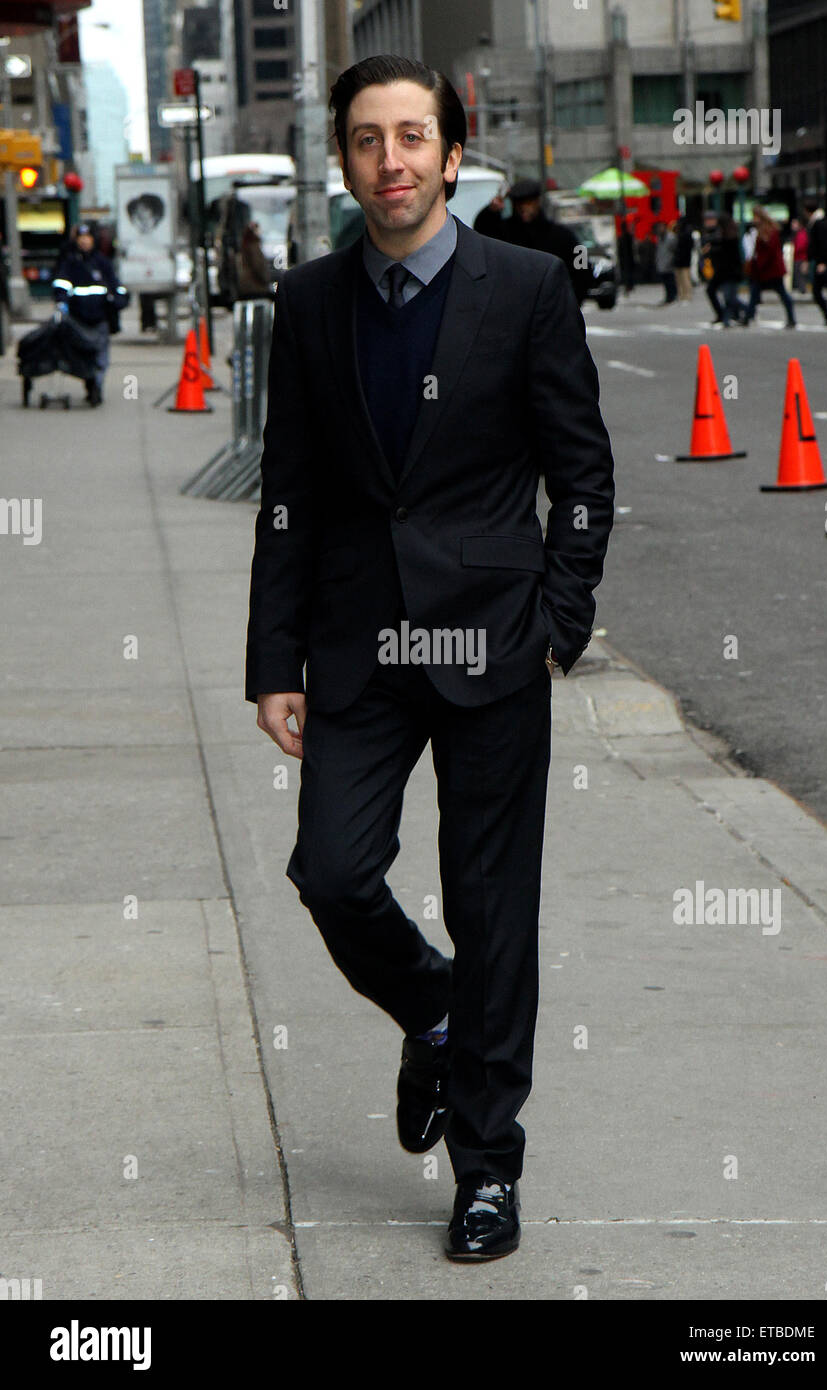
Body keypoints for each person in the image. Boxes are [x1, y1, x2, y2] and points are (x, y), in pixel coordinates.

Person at [246, 54, 615, 1263]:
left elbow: (581, 472)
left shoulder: (527, 288)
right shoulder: (307, 305)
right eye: (367, 139)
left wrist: (559, 618)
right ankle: (433, 1006)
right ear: (344, 160)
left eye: (413, 137)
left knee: (495, 907)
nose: (391, 159)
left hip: (495, 644)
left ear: (451, 156)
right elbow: (289, 493)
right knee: (332, 869)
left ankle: (487, 1170)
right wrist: (274, 658)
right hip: (360, 645)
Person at [473, 176, 590, 303]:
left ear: (537, 202)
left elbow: (582, 261)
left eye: (528, 202)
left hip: (551, 306)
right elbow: (481, 232)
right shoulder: (504, 233)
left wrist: (572, 300)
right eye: (518, 203)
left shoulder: (561, 235)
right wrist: (491, 211)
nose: (523, 208)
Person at [52, 222, 128, 404]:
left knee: (101, 353)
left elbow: (117, 287)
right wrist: (62, 303)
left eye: (88, 238)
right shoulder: (70, 263)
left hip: (100, 317)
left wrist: (118, 301)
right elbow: (61, 285)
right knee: (83, 352)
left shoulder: (102, 262)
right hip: (78, 317)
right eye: (81, 238)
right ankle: (90, 381)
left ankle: (96, 385)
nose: (85, 242)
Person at [742, 206, 796, 328]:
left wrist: (759, 264)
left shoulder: (769, 231)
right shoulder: (764, 230)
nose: (753, 219)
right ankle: (748, 317)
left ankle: (791, 318)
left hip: (770, 270)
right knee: (755, 293)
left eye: (755, 217)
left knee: (781, 294)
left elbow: (769, 252)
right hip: (766, 270)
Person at [701, 211, 745, 327]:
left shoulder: (728, 238)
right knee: (726, 296)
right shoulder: (722, 236)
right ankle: (728, 316)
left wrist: (711, 250)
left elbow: (726, 254)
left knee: (729, 297)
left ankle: (731, 316)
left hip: (728, 272)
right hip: (722, 271)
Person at [236, 220, 275, 299]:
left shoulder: (245, 246)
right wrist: (265, 279)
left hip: (247, 286)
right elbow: (257, 265)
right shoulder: (253, 246)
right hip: (256, 286)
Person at [654, 220, 678, 304]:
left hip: (669, 262)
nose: (660, 229)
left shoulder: (671, 237)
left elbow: (675, 250)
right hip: (662, 262)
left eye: (661, 227)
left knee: (670, 281)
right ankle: (668, 297)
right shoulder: (659, 238)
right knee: (666, 282)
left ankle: (673, 296)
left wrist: (672, 260)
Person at [673, 216, 694, 301]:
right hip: (682, 259)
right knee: (680, 279)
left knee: (684, 278)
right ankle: (682, 295)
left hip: (683, 260)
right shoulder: (681, 233)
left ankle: (687, 295)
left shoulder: (685, 234)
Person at [790, 217, 810, 294]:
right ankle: (801, 289)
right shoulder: (797, 234)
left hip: (800, 257)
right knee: (798, 274)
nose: (792, 225)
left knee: (800, 274)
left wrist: (793, 249)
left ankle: (802, 289)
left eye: (794, 224)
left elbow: (801, 246)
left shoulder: (801, 233)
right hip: (797, 257)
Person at [617, 217, 635, 294]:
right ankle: (629, 285)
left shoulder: (623, 238)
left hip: (626, 259)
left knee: (627, 273)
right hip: (628, 258)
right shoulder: (628, 237)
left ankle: (629, 285)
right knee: (628, 273)